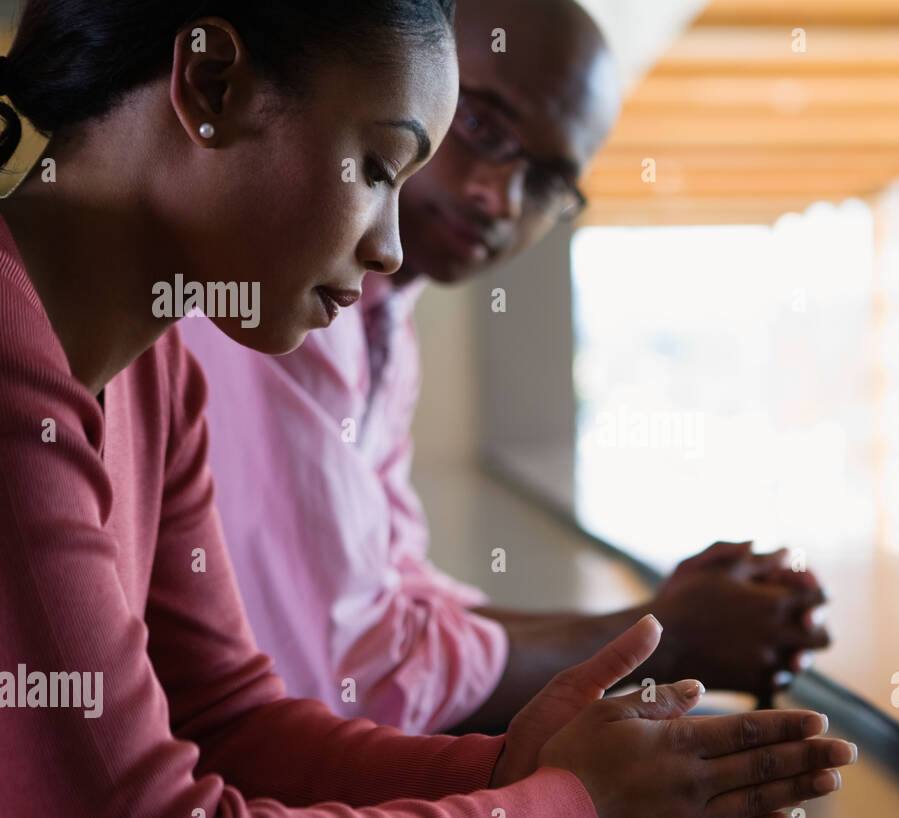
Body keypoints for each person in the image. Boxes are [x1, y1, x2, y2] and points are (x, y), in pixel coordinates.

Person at [0, 0, 856, 818]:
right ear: (209, 84)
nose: (391, 249)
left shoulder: (160, 375)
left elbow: (229, 722)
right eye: (377, 167)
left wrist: (515, 771)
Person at [181, 0, 834, 738]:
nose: (500, 197)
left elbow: (397, 591)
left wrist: (646, 635)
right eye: (482, 127)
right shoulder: (280, 307)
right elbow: (353, 673)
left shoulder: (383, 320)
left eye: (550, 180)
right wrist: (665, 640)